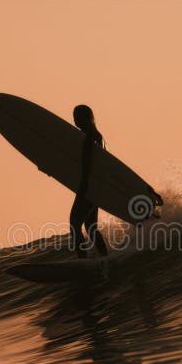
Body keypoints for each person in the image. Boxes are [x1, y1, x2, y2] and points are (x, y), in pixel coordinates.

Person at [70, 104, 109, 258]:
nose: (75, 121)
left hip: (88, 187)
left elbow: (88, 163)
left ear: (87, 118)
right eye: (74, 118)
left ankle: (82, 260)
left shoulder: (89, 138)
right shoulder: (98, 136)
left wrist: (84, 185)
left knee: (74, 224)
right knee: (90, 227)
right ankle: (105, 257)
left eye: (77, 117)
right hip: (96, 187)